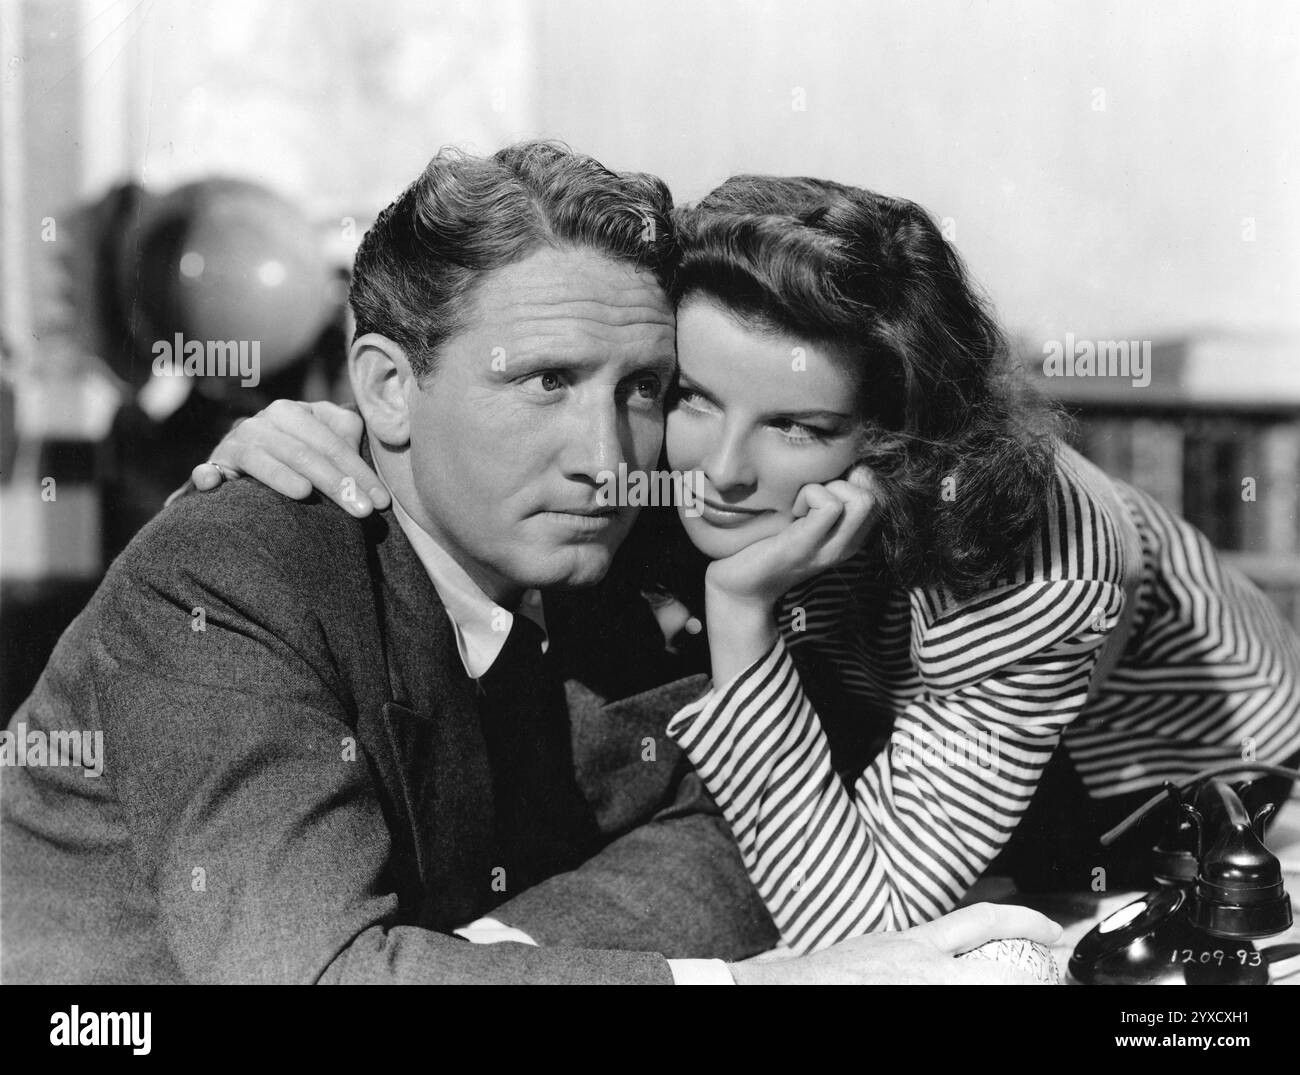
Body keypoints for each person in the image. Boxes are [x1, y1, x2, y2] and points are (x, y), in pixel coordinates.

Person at [0, 143, 1058, 985]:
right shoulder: (229, 575)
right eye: (546, 381)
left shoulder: (616, 557)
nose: (606, 460)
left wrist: (484, 957)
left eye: (644, 389)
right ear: (384, 388)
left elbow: (729, 841)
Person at [206, 170, 1300, 958]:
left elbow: (858, 933)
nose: (717, 472)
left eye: (795, 426)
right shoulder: (651, 451)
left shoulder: (1034, 561)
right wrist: (314, 445)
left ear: (896, 438)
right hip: (899, 750)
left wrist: (738, 615)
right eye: (688, 396)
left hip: (1175, 811)